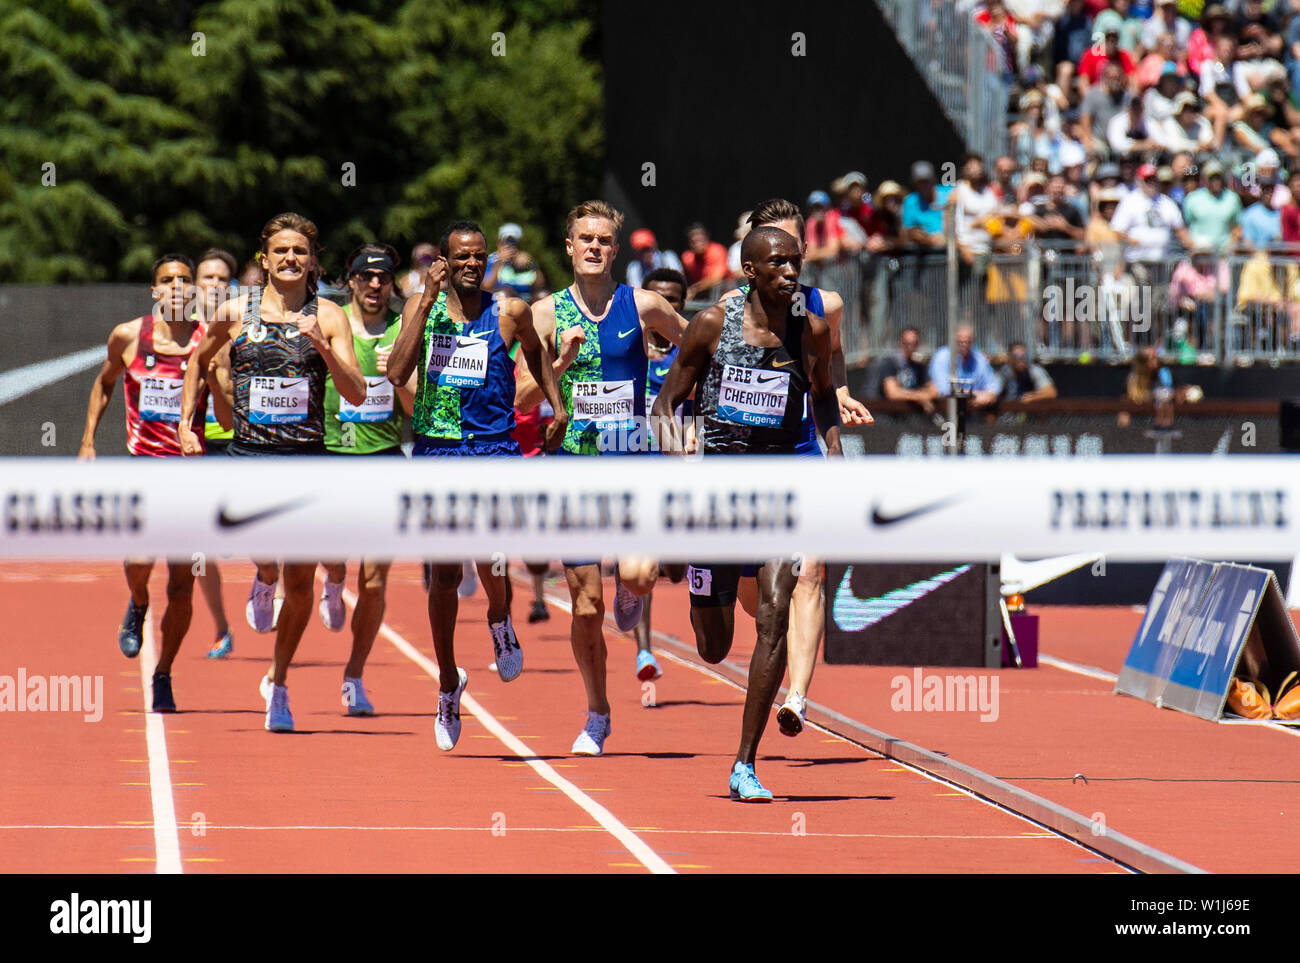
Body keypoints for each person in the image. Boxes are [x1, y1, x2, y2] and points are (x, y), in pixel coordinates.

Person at [652, 226, 841, 801]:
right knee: (712, 644)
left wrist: (834, 452)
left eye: (795, 262)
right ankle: (693, 572)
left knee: (777, 612)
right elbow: (666, 402)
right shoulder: (712, 325)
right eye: (777, 264)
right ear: (750, 272)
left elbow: (824, 393)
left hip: (780, 490)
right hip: (717, 496)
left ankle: (745, 763)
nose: (790, 272)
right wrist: (674, 454)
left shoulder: (811, 330)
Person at [179, 212, 367, 733]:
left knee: (301, 581)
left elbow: (355, 393)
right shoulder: (235, 311)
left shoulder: (328, 315)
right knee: (268, 559)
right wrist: (185, 423)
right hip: (249, 456)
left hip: (306, 459)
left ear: (313, 260)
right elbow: (197, 363)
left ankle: (279, 682)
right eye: (281, 251)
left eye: (300, 252)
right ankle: (263, 577)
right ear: (264, 260)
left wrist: (323, 345)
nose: (290, 259)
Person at [387, 219, 568, 750]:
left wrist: (558, 407)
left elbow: (536, 355)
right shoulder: (423, 309)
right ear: (442, 260)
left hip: (493, 449)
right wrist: (423, 301)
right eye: (460, 256)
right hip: (438, 450)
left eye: (479, 256)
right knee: (443, 575)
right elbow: (397, 373)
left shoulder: (509, 312)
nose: (471, 264)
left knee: (492, 555)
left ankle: (499, 616)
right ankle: (448, 681)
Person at [517, 199, 687, 755]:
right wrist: (559, 366)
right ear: (568, 247)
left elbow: (703, 347)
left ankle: (632, 595)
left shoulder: (642, 305)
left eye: (603, 240)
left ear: (616, 249)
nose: (594, 247)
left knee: (638, 578)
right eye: (584, 238)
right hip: (574, 470)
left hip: (634, 459)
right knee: (585, 608)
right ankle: (597, 711)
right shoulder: (544, 315)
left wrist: (670, 406)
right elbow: (520, 395)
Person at [716, 198, 871, 739]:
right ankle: (771, 648)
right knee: (757, 597)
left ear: (803, 250)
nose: (783, 263)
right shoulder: (729, 310)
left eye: (791, 250)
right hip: (745, 461)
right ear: (752, 260)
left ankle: (798, 697)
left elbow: (831, 365)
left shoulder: (824, 305)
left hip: (802, 448)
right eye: (770, 250)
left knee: (811, 571)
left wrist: (842, 407)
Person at [78, 254, 210, 712]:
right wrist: (89, 441)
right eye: (166, 280)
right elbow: (104, 383)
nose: (176, 287)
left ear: (194, 289)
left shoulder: (209, 341)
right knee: (138, 563)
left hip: (193, 478)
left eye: (184, 280)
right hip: (145, 469)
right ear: (154, 290)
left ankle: (164, 673)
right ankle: (137, 602)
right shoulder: (130, 336)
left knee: (181, 586)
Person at [314, 243, 414, 716]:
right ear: (350, 280)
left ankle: (354, 676)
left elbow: (418, 408)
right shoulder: (332, 324)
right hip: (333, 456)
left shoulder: (402, 331)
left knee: (374, 578)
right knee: (334, 558)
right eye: (366, 278)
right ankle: (332, 580)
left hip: (385, 461)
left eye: (384, 279)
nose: (375, 286)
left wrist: (398, 376)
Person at [190, 248, 239, 659]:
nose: (216, 285)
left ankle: (269, 585)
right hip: (194, 445)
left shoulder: (243, 327)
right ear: (194, 285)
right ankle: (222, 627)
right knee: (199, 547)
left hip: (238, 439)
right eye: (208, 278)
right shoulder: (179, 330)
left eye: (223, 278)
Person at [929, 325, 1002, 409]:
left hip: (975, 413)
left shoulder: (979, 359)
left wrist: (990, 395)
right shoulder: (942, 357)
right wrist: (975, 395)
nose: (964, 345)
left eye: (968, 342)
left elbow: (994, 384)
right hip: (946, 413)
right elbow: (943, 390)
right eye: (960, 342)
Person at [876, 327, 936, 411]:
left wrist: (905, 393)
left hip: (914, 416)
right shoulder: (890, 363)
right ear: (900, 343)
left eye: (914, 344)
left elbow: (934, 391)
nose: (910, 348)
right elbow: (892, 393)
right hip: (891, 416)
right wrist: (918, 396)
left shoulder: (920, 366)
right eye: (906, 343)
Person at [484, 223, 548, 303]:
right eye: (507, 242)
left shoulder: (526, 260)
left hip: (526, 299)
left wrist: (532, 265)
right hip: (502, 299)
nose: (511, 246)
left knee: (543, 296)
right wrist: (500, 263)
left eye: (514, 242)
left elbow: (540, 285)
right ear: (499, 243)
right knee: (504, 293)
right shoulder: (491, 260)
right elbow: (486, 286)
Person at [901, 161, 953, 250]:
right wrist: (922, 237)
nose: (924, 185)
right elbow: (906, 231)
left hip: (951, 244)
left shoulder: (950, 193)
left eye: (927, 181)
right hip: (926, 250)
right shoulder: (910, 201)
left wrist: (944, 237)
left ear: (934, 180)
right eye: (920, 182)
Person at [681, 222, 731, 299]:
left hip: (726, 292)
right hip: (702, 295)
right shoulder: (687, 257)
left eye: (700, 240)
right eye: (694, 241)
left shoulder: (717, 250)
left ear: (707, 238)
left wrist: (695, 289)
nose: (697, 244)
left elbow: (717, 278)